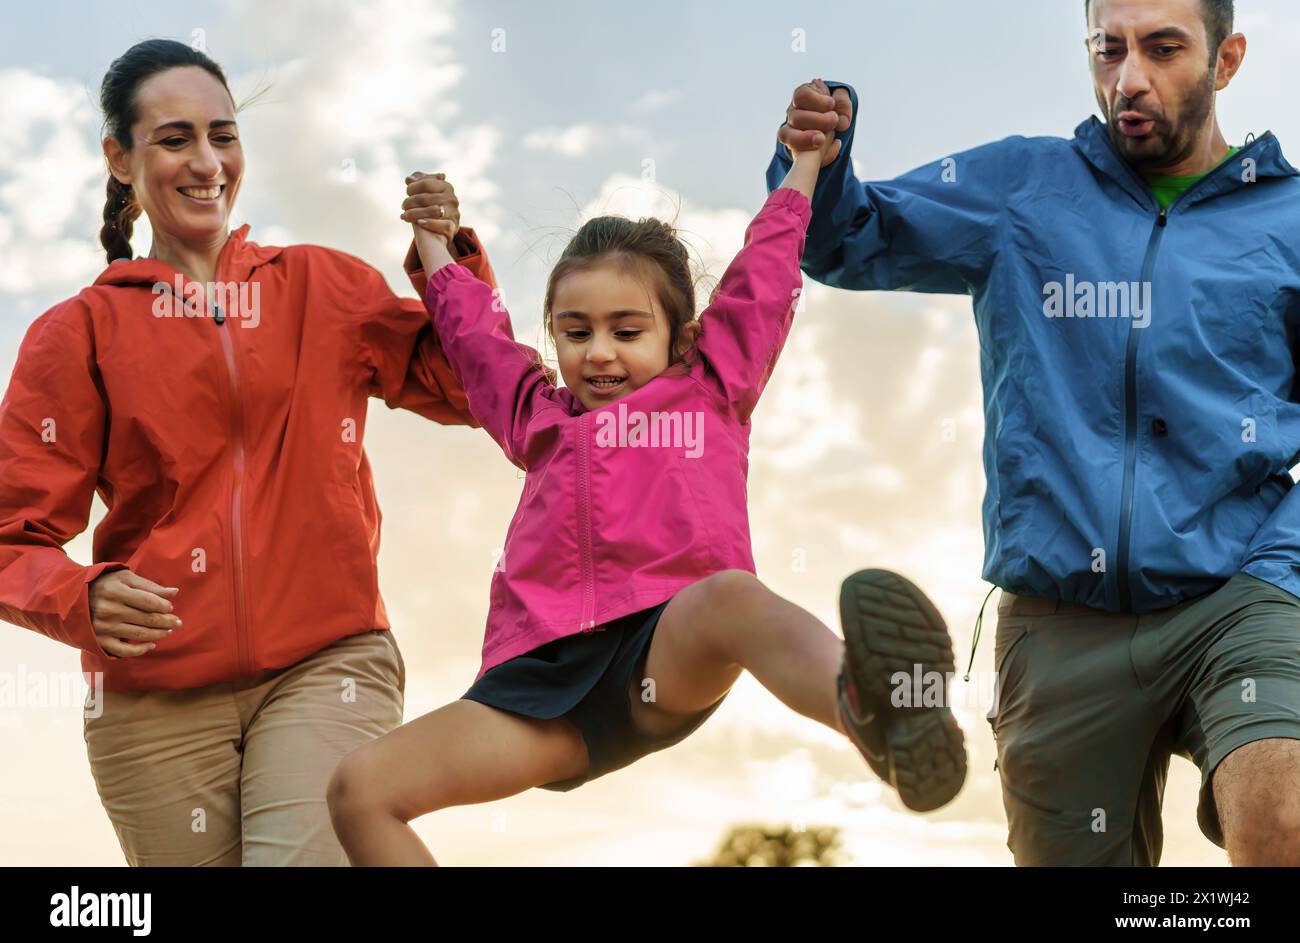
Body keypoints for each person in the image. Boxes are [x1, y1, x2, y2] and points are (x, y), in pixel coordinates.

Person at [325, 79, 969, 865]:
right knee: (359, 790)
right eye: (575, 331)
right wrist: (435, 242)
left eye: (627, 331)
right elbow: (475, 341)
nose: (598, 352)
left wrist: (804, 164)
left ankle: (877, 708)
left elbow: (763, 275)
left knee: (730, 597)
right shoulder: (538, 417)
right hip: (540, 687)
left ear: (681, 335)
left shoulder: (714, 384)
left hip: (663, 651)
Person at [770, 0, 1300, 865]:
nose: (1130, 78)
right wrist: (821, 166)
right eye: (1110, 48)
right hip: (1061, 612)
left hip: (1243, 585)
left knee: (1283, 824)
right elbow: (848, 240)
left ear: (1227, 59)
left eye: (1164, 49)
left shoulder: (1288, 221)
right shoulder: (1022, 187)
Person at [0, 38, 498, 866]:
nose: (206, 162)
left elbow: (469, 387)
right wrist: (81, 595)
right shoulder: (75, 334)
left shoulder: (324, 287)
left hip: (326, 661)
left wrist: (447, 258)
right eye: (174, 139)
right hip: (151, 705)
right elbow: (12, 538)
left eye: (223, 136)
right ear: (119, 159)